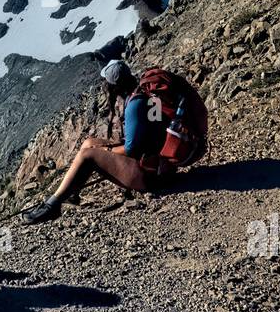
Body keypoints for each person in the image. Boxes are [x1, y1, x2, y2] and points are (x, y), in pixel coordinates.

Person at [21, 59, 201, 225]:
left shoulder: (135, 104)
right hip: (160, 166)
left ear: (114, 86)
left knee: (88, 154)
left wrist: (106, 149)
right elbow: (150, 137)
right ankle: (70, 193)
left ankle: (52, 206)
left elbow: (133, 149)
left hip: (151, 175)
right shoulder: (146, 96)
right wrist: (104, 147)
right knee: (90, 142)